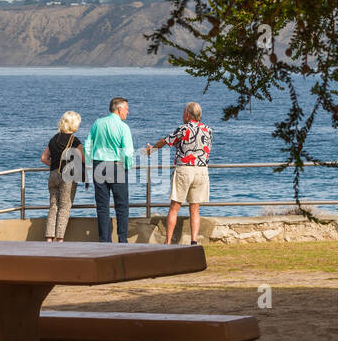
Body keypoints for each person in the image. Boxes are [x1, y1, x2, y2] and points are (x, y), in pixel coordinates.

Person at [144, 101, 212, 244]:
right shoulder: (208, 130)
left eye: (183, 112)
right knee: (195, 208)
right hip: (201, 171)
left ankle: (168, 241)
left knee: (175, 207)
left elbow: (166, 141)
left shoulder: (183, 129)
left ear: (188, 114)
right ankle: (193, 240)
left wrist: (152, 150)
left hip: (185, 169)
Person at [85, 97, 135, 242]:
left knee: (102, 205)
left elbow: (88, 144)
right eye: (126, 109)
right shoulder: (123, 127)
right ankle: (122, 239)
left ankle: (104, 240)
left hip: (99, 164)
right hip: (116, 165)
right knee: (122, 205)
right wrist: (127, 166)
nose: (128, 112)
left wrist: (90, 161)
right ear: (119, 109)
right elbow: (127, 152)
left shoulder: (98, 123)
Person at [41, 111, 84, 241]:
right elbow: (84, 160)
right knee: (65, 207)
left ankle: (49, 238)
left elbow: (43, 158)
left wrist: (55, 166)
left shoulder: (53, 139)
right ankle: (60, 239)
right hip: (67, 177)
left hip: (53, 175)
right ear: (74, 125)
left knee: (53, 206)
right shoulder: (74, 141)